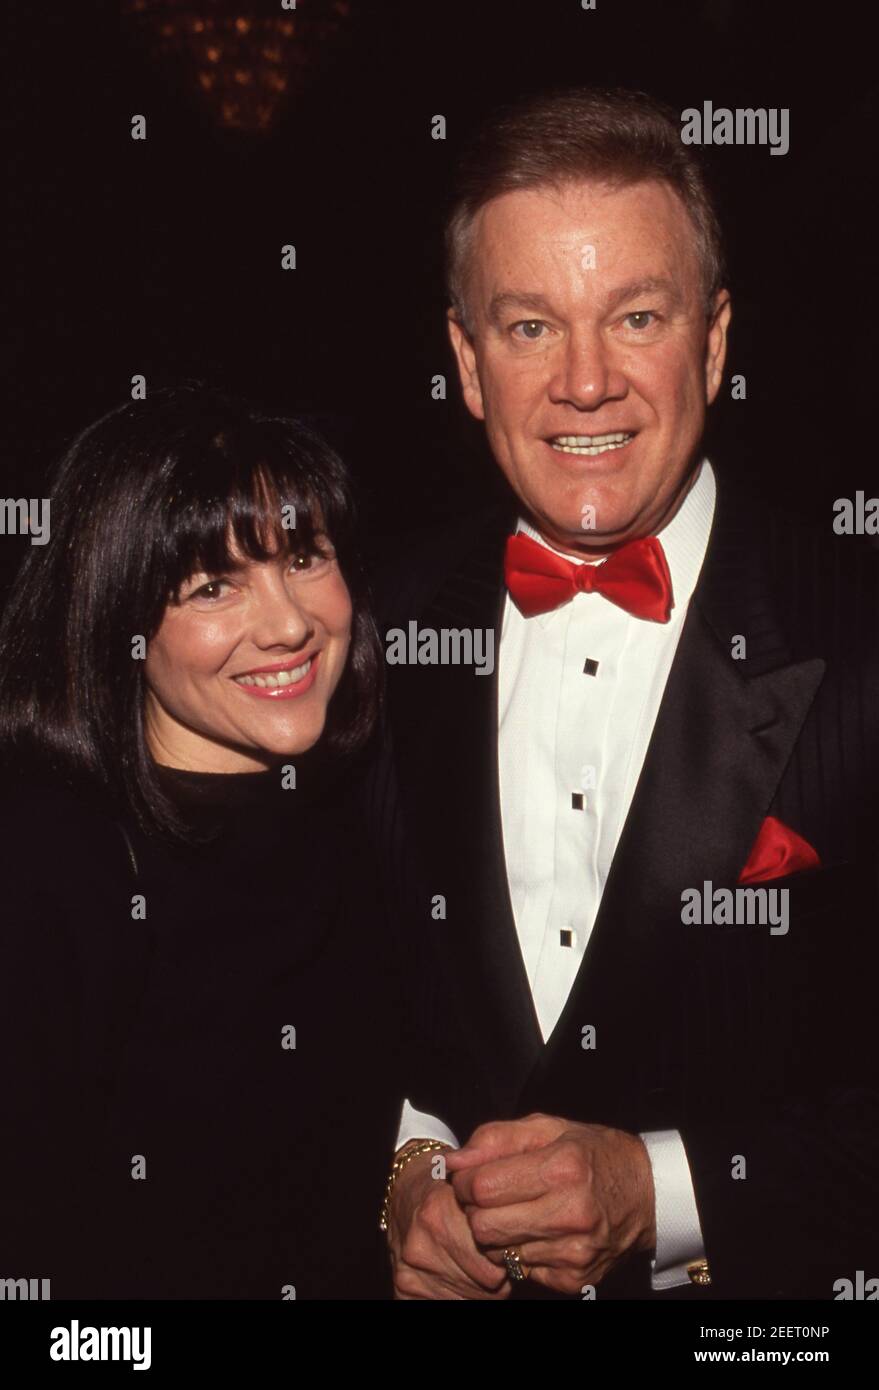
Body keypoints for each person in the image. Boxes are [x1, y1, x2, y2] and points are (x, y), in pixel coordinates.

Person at [373, 87, 879, 1300]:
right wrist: (401, 1172)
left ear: (710, 342)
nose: (585, 383)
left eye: (635, 316)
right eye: (532, 327)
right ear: (468, 363)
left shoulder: (855, 633)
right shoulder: (370, 632)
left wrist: (668, 1193)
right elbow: (307, 999)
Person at [0, 385, 403, 1299]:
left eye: (304, 557)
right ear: (119, 622)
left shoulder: (367, 814)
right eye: (214, 585)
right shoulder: (48, 864)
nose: (289, 623)